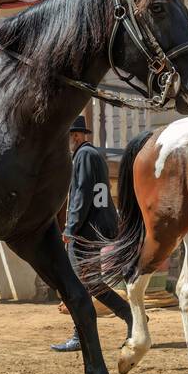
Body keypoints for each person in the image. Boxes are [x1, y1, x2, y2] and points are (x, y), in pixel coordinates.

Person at [50, 116, 134, 352]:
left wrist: (71, 227)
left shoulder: (84, 156)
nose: (65, 142)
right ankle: (130, 319)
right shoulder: (92, 155)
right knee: (92, 285)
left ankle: (81, 335)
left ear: (76, 136)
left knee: (80, 285)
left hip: (86, 232)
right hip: (93, 229)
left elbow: (82, 194)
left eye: (66, 137)